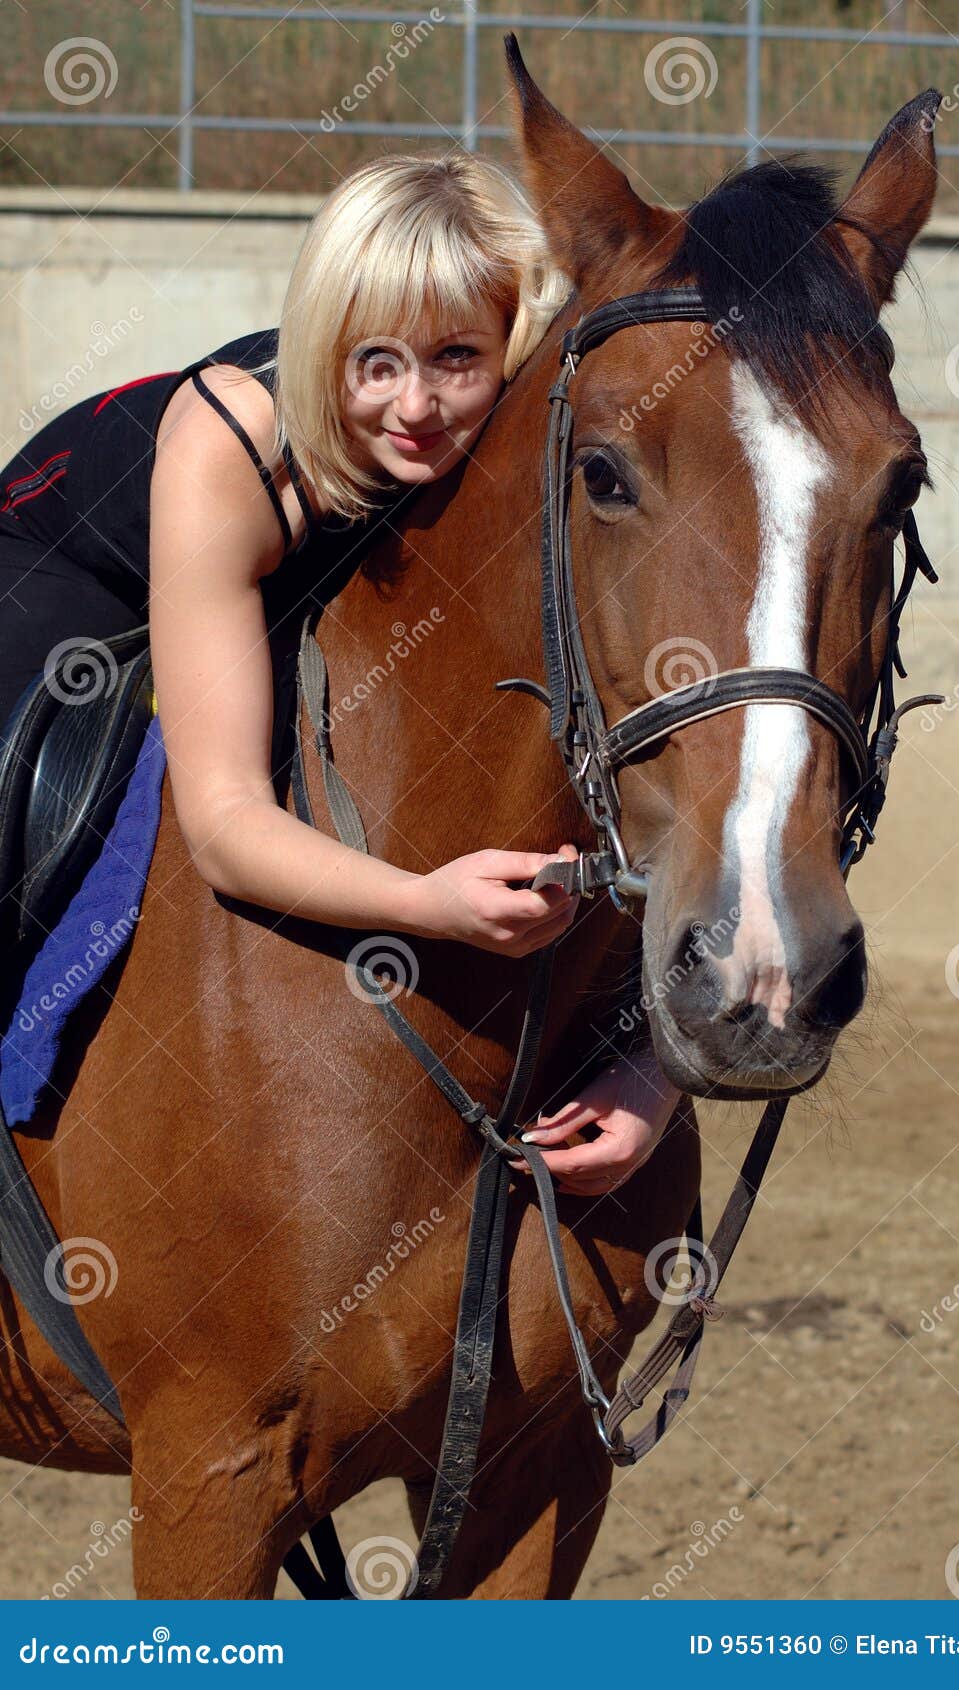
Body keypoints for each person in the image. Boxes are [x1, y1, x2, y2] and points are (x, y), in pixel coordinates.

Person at [0, 150, 680, 1194]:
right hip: (63, 569)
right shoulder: (237, 441)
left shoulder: (529, 431)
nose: (413, 405)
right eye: (374, 360)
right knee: (58, 804)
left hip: (279, 581)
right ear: (328, 346)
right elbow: (224, 828)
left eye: (456, 355)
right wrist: (426, 904)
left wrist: (655, 1066)